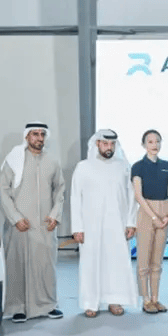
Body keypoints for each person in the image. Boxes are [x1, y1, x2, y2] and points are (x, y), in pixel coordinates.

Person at [0, 122, 67, 322]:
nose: (39, 138)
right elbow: (3, 191)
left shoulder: (52, 161)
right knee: (17, 265)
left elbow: (60, 190)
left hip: (45, 225)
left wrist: (55, 215)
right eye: (35, 134)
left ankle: (48, 305)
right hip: (20, 225)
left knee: (46, 266)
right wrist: (15, 218)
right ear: (27, 136)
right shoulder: (14, 160)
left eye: (42, 134)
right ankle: (17, 307)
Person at [70, 129, 138, 318]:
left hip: (117, 225)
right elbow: (75, 198)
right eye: (105, 143)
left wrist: (131, 222)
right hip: (90, 227)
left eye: (112, 144)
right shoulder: (83, 167)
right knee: (91, 264)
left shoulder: (123, 166)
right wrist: (77, 227)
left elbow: (131, 197)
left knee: (116, 263)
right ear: (97, 144)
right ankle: (90, 303)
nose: (109, 147)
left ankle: (115, 300)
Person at [131, 129, 168, 314]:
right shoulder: (138, 166)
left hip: (164, 214)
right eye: (150, 142)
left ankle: (156, 299)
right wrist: (154, 217)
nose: (154, 145)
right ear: (143, 145)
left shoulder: (167, 165)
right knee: (144, 261)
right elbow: (138, 195)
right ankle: (146, 299)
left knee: (157, 261)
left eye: (157, 141)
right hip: (147, 212)